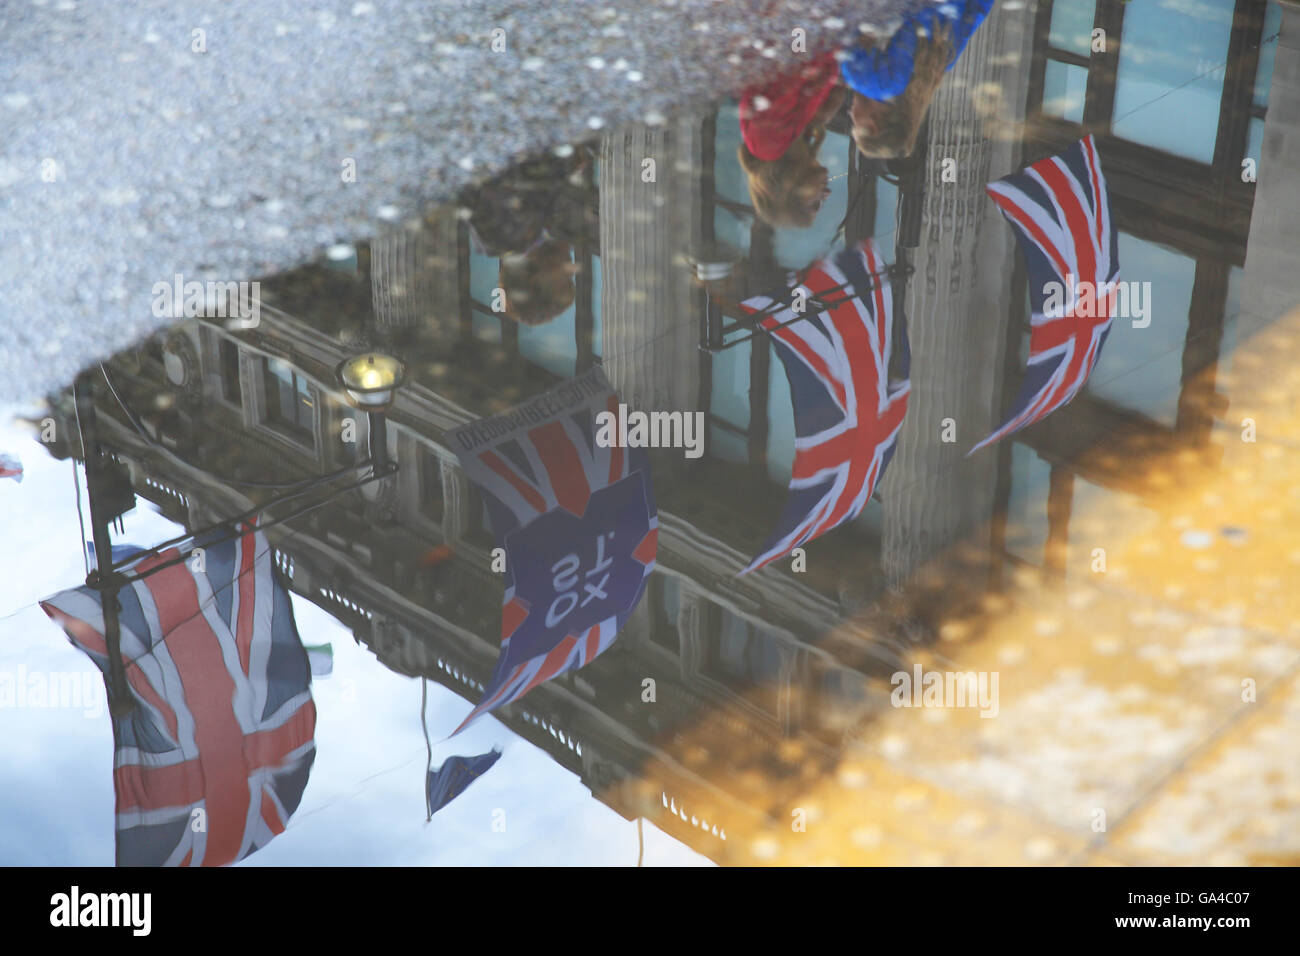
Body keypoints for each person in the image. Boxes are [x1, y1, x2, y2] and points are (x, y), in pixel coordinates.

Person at [458, 146, 597, 325]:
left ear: (534, 280)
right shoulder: (507, 240)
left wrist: (573, 159)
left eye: (564, 279)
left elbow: (524, 163)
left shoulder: (507, 233)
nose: (570, 267)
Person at [842, 0, 994, 158]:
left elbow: (977, 11)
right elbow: (847, 25)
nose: (850, 113)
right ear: (873, 127)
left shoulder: (935, 69)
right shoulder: (867, 82)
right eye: (855, 124)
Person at [737, 50, 846, 228]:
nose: (827, 194)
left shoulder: (768, 143)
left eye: (815, 204)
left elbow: (796, 59)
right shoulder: (801, 133)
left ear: (786, 192)